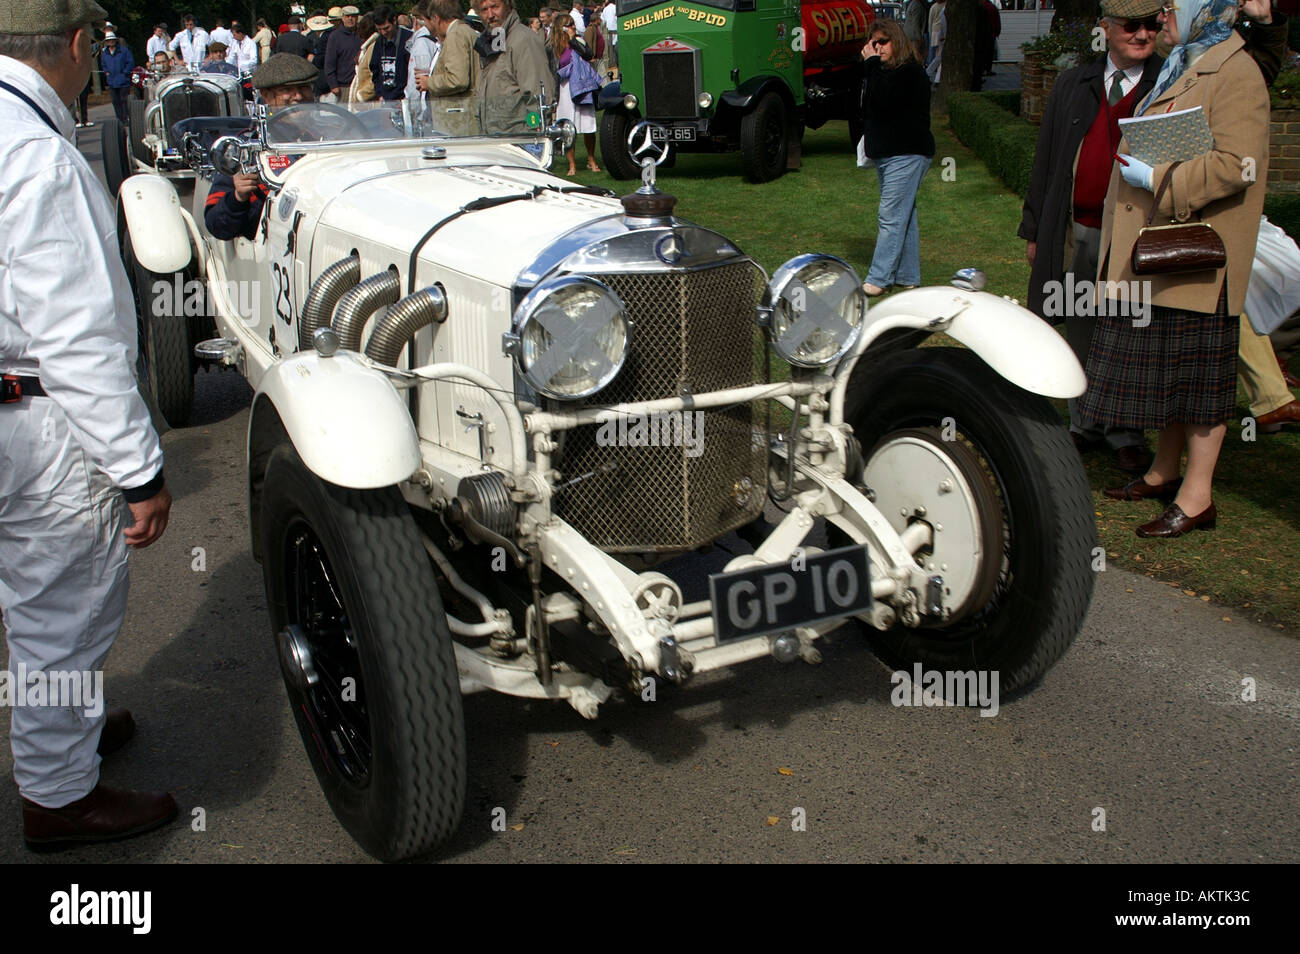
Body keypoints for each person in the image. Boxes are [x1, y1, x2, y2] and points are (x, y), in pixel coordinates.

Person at [0, 0, 176, 848]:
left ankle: (55, 738)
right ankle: (58, 793)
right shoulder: (38, 154)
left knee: (36, 609)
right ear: (76, 46)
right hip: (28, 418)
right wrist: (137, 468)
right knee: (60, 614)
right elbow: (76, 335)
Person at [1086, 0, 1270, 537]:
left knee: (1200, 385)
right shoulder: (1188, 60)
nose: (1162, 15)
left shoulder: (1235, 70)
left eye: (1171, 6)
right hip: (1167, 255)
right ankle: (1165, 472)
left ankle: (1197, 498)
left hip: (1201, 261)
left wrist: (1160, 179)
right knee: (1173, 377)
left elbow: (1240, 164)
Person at [1019, 0, 1163, 473]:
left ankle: (1125, 430)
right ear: (1105, 28)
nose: (1142, 34)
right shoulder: (1071, 83)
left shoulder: (1168, 81)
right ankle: (1084, 423)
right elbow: (1046, 160)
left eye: (1151, 24)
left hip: (1135, 232)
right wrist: (1035, 228)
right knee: (1080, 324)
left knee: (1128, 329)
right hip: (1078, 229)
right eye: (1131, 26)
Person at [205, 54, 319, 241]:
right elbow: (216, 225)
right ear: (267, 96)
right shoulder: (247, 148)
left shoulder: (326, 136)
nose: (298, 96)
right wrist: (238, 196)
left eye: (304, 88)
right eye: (287, 90)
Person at [858, 18, 934, 297]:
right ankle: (907, 275)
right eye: (873, 42)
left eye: (883, 42)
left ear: (896, 41)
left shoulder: (910, 72)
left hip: (907, 153)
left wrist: (870, 66)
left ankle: (878, 278)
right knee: (905, 216)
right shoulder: (884, 71)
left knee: (890, 216)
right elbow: (869, 107)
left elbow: (884, 100)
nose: (877, 47)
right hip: (890, 154)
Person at [477, 0, 556, 134]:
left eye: (495, 7)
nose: (490, 15)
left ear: (508, 5)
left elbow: (538, 97)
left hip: (518, 140)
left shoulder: (523, 39)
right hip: (495, 140)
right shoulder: (494, 39)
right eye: (484, 9)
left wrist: (532, 134)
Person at [420, 0, 482, 134]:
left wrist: (429, 82)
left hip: (458, 122)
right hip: (468, 117)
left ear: (436, 18)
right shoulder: (467, 31)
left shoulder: (455, 35)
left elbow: (458, 79)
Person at [552, 13, 600, 174]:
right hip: (565, 89)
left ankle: (591, 159)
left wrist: (573, 40)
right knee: (567, 127)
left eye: (573, 24)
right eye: (569, 24)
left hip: (582, 86)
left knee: (588, 125)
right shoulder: (554, 47)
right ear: (562, 28)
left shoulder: (578, 41)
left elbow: (588, 54)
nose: (573, 26)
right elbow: (555, 69)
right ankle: (572, 164)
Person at [369, 4, 412, 101]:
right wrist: (379, 93)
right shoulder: (379, 41)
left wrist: (408, 95)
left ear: (394, 20)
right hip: (384, 98)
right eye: (379, 29)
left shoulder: (409, 39)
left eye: (386, 28)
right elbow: (375, 69)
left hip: (404, 98)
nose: (383, 32)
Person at [405, 0, 438, 107]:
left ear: (415, 20)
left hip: (423, 106)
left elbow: (416, 82)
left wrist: (413, 108)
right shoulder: (437, 38)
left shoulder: (421, 43)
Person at [324, 5, 361, 102]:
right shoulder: (335, 36)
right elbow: (329, 63)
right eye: (347, 16)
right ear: (342, 18)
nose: (350, 19)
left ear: (357, 18)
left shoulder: (362, 34)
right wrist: (333, 85)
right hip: (344, 87)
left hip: (361, 85)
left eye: (353, 16)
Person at [98, 30, 132, 122]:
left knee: (124, 100)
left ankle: (126, 118)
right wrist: (106, 72)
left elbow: (130, 62)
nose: (111, 42)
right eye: (109, 40)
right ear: (106, 42)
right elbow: (104, 64)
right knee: (115, 101)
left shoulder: (123, 50)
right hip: (112, 81)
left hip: (123, 80)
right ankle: (119, 119)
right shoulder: (105, 53)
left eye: (112, 40)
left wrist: (125, 72)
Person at [350, 13, 377, 101]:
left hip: (369, 104)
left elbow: (377, 76)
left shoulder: (374, 47)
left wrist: (362, 95)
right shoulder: (367, 47)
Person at [926, 0, 944, 69]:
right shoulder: (946, 5)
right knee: (939, 51)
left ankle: (931, 67)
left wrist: (930, 32)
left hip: (934, 31)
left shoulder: (933, 7)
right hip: (942, 30)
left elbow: (930, 21)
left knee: (933, 51)